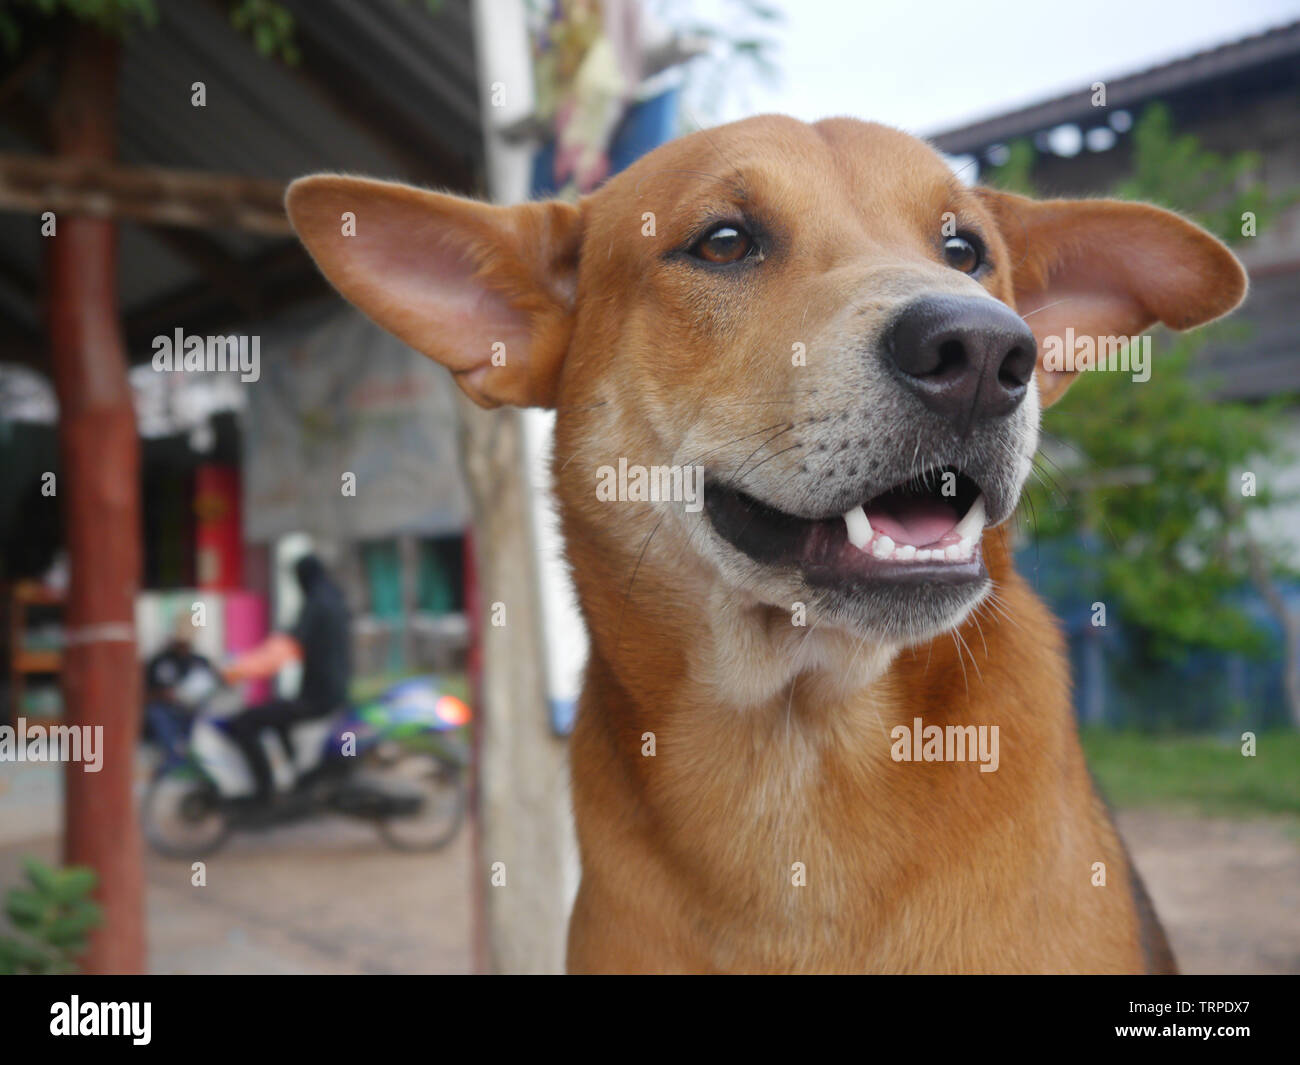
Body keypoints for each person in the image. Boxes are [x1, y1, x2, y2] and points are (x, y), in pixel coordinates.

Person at [222, 554, 353, 805]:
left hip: (318, 697)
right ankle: (293, 777)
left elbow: (287, 647)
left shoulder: (317, 604)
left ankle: (264, 793)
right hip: (333, 693)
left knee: (247, 721)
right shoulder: (334, 599)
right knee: (277, 716)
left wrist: (239, 669)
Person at [144, 612, 220, 754]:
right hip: (166, 712)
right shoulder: (159, 661)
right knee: (156, 713)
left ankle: (192, 753)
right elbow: (144, 695)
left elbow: (212, 689)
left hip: (192, 712)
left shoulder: (200, 662)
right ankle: (173, 754)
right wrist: (164, 695)